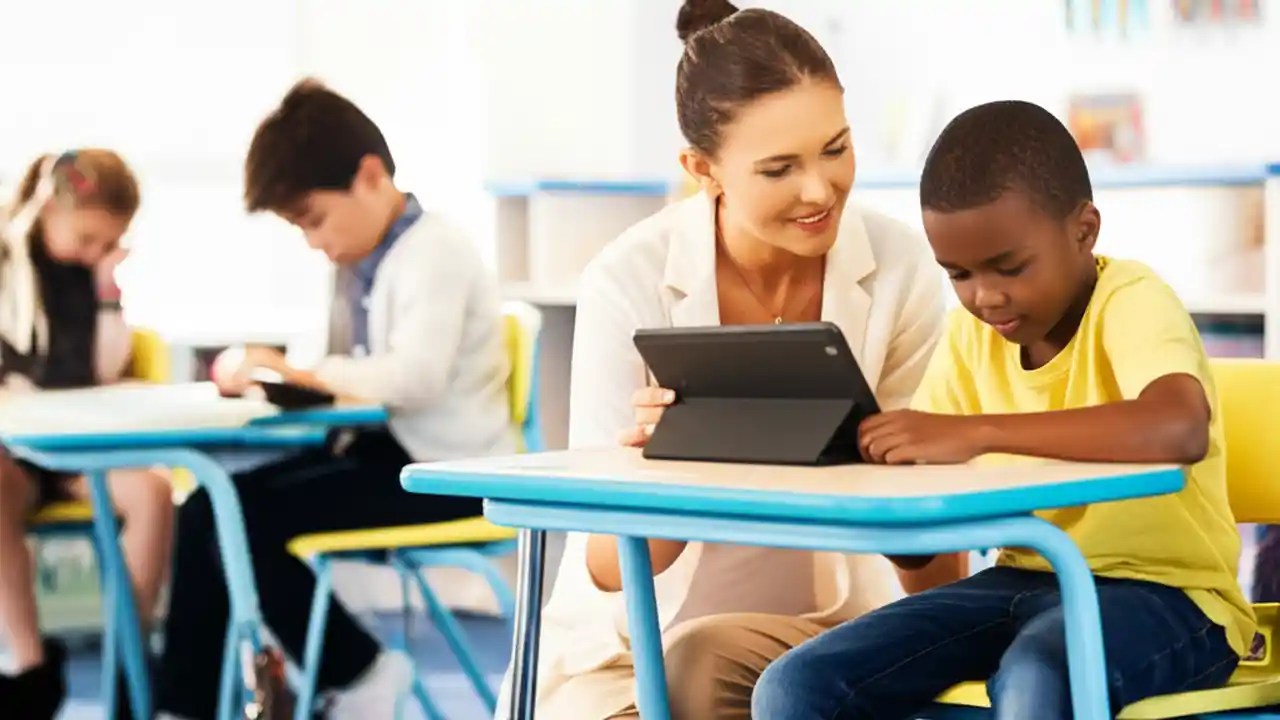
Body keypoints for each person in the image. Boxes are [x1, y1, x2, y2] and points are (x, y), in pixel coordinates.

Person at [517, 2, 965, 718]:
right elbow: (606, 565)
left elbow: (938, 573)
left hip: (836, 633)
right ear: (704, 171)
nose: (819, 190)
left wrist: (900, 479)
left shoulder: (901, 267)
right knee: (682, 678)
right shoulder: (629, 280)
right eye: (779, 168)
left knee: (715, 676)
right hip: (631, 649)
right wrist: (670, 461)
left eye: (836, 148)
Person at [752, 100, 1256, 720]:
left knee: (1037, 674)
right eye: (958, 274)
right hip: (1019, 582)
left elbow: (1178, 427)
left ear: (1084, 229)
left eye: (1009, 267)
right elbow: (923, 548)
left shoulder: (1132, 299)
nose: (985, 297)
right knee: (795, 687)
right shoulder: (970, 337)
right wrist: (878, 486)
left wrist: (975, 433)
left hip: (1172, 599)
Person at [154, 80, 515, 719]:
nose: (313, 241)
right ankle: (184, 706)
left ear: (370, 176)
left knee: (237, 513)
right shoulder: (357, 267)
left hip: (445, 471)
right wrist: (283, 376)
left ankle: (361, 672)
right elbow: (342, 373)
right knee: (205, 505)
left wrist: (299, 371)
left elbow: (413, 378)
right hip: (382, 455)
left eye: (313, 219)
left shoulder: (437, 251)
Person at [0, 150, 172, 720]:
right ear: (49, 206)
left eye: (109, 243)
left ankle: (129, 658)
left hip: (77, 448)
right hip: (15, 452)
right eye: (88, 237)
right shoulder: (8, 263)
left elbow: (102, 372)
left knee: (151, 490)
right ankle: (31, 667)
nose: (94, 250)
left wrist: (106, 287)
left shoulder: (88, 277)